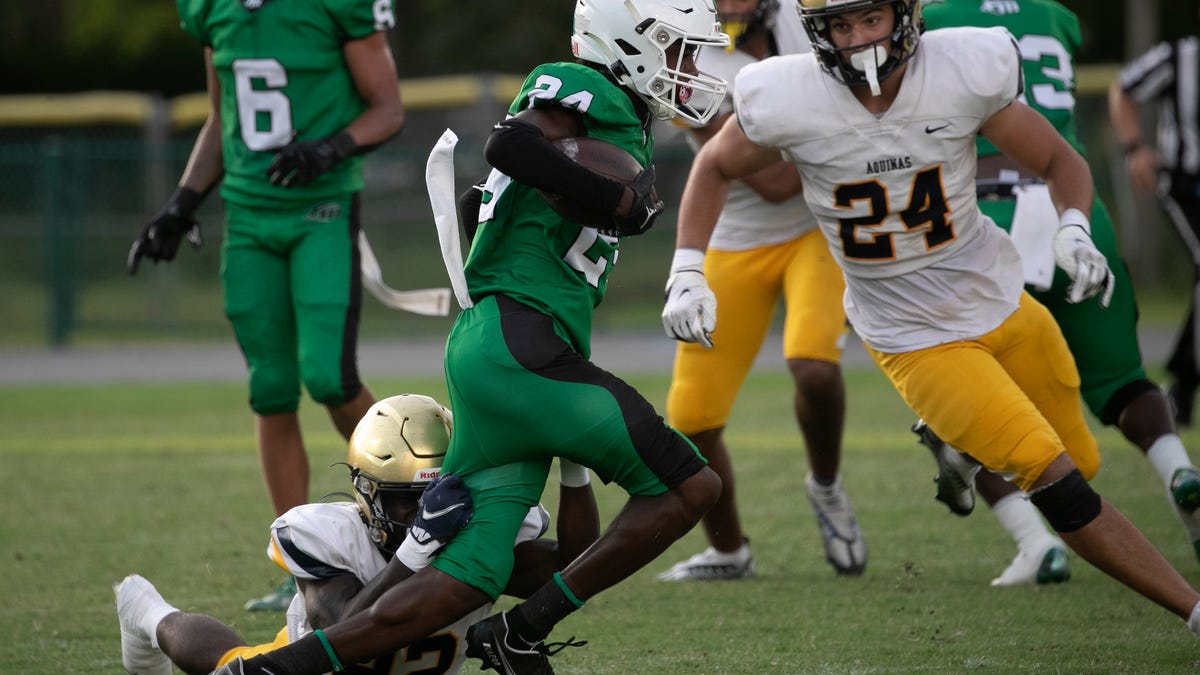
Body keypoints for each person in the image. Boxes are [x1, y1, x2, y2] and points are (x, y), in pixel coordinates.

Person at [207, 1, 729, 673]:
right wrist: (619, 203)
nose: (686, 68)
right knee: (691, 487)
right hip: (522, 347)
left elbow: (483, 197)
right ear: (628, 42)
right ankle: (519, 632)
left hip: (499, 347)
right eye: (677, 50)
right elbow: (510, 144)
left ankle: (272, 669)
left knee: (468, 577)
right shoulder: (586, 85)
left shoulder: (618, 116)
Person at [667, 0, 1200, 638]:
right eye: (839, 25)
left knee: (1081, 462)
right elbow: (715, 164)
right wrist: (688, 268)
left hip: (1003, 300)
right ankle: (1192, 611)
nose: (857, 38)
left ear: (906, 15)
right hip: (914, 338)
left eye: (870, 19)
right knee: (1059, 486)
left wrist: (1075, 228)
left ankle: (959, 442)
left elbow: (1061, 161)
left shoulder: (960, 67)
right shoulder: (788, 92)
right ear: (816, 32)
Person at [906, 0, 1200, 587]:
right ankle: (1178, 470)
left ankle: (1037, 542)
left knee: (976, 398)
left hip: (981, 211)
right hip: (1071, 204)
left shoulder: (927, 20)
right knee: (1122, 381)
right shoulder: (1054, 14)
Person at [125, 0, 405, 611]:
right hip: (249, 218)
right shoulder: (212, 9)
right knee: (271, 387)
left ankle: (410, 521)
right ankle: (302, 559)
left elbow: (388, 110)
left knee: (329, 377)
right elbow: (222, 115)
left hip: (322, 209)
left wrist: (329, 148)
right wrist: (182, 204)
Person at [115, 393, 600, 675]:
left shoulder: (472, 529)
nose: (421, 515)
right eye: (406, 500)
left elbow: (572, 569)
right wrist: (415, 552)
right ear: (365, 491)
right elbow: (340, 632)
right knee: (234, 660)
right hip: (313, 670)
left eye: (433, 498)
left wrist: (574, 467)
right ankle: (147, 611)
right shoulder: (329, 536)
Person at [657, 0, 865, 582]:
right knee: (692, 415)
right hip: (737, 234)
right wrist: (852, 138)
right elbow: (772, 182)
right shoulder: (683, 50)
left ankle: (825, 486)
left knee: (814, 364)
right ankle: (729, 550)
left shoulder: (826, 16)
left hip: (819, 226)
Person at [1110, 22, 1200, 430]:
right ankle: (1183, 383)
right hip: (1185, 183)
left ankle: (1183, 381)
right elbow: (1122, 88)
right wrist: (1135, 149)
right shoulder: (1178, 56)